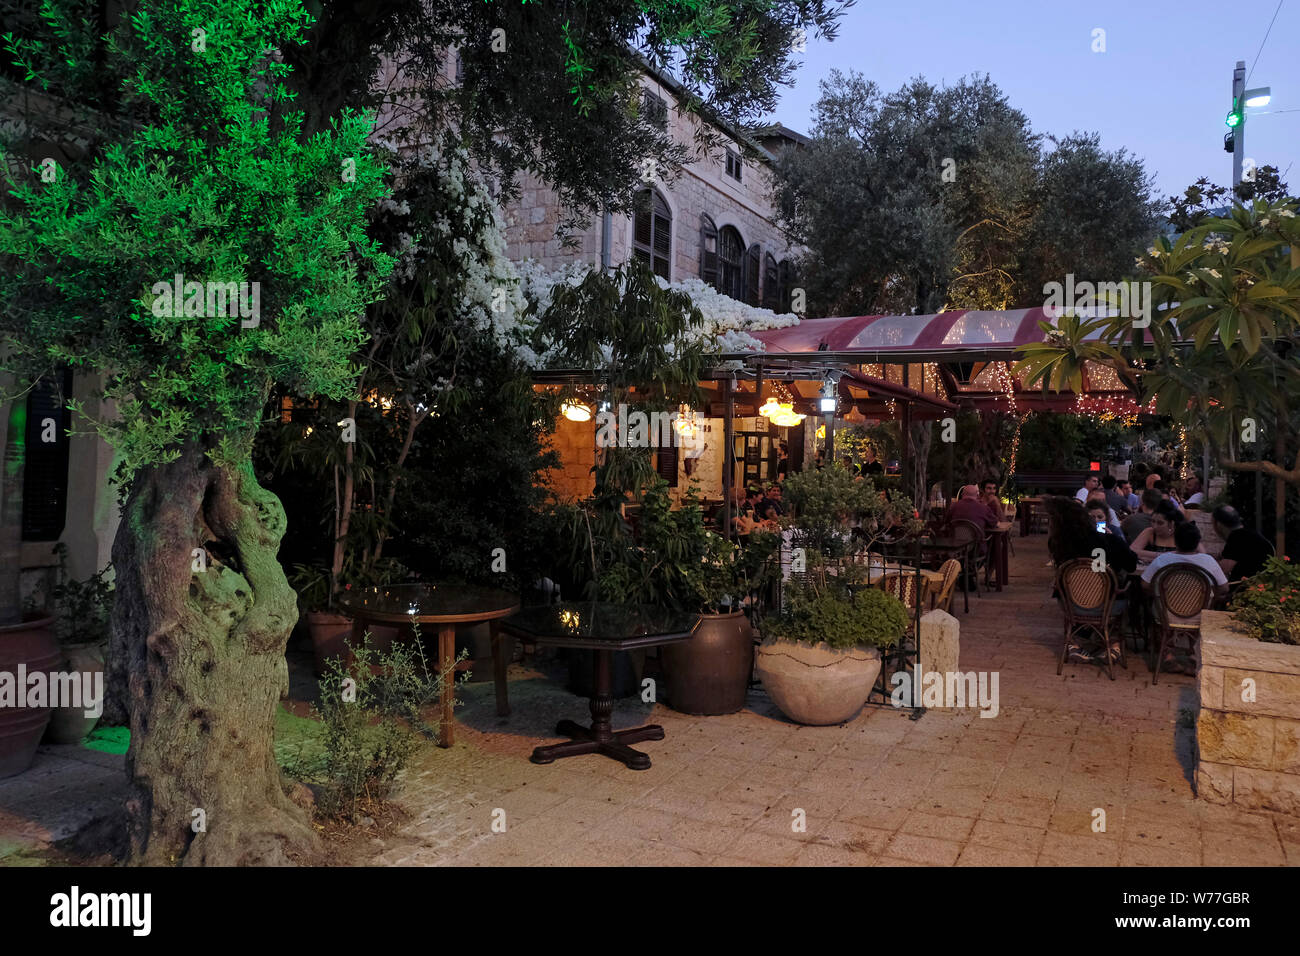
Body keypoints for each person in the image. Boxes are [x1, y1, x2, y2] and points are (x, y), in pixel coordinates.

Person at [1213, 505, 1273, 583]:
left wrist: (1206, 562)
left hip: (1245, 587)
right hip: (1262, 583)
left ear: (1218, 524)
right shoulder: (1248, 533)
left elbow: (1224, 568)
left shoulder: (1237, 537)